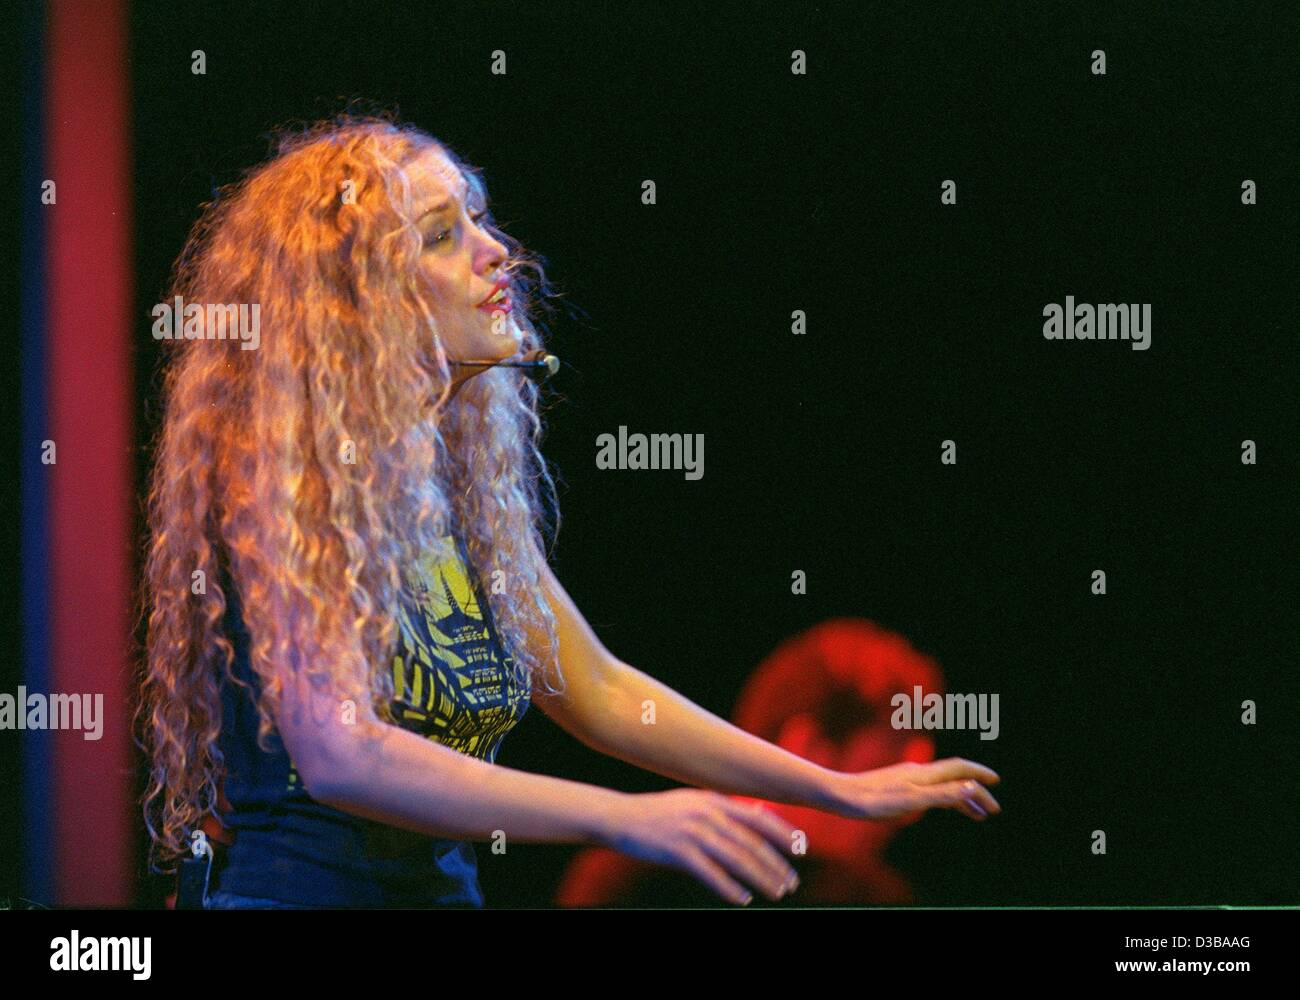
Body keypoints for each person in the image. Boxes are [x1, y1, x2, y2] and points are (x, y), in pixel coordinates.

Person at [136, 113, 1002, 909]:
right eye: (444, 236)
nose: (496, 251)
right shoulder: (289, 484)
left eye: (477, 220)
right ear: (357, 308)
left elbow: (599, 690)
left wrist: (832, 788)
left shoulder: (447, 494)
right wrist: (622, 817)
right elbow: (340, 755)